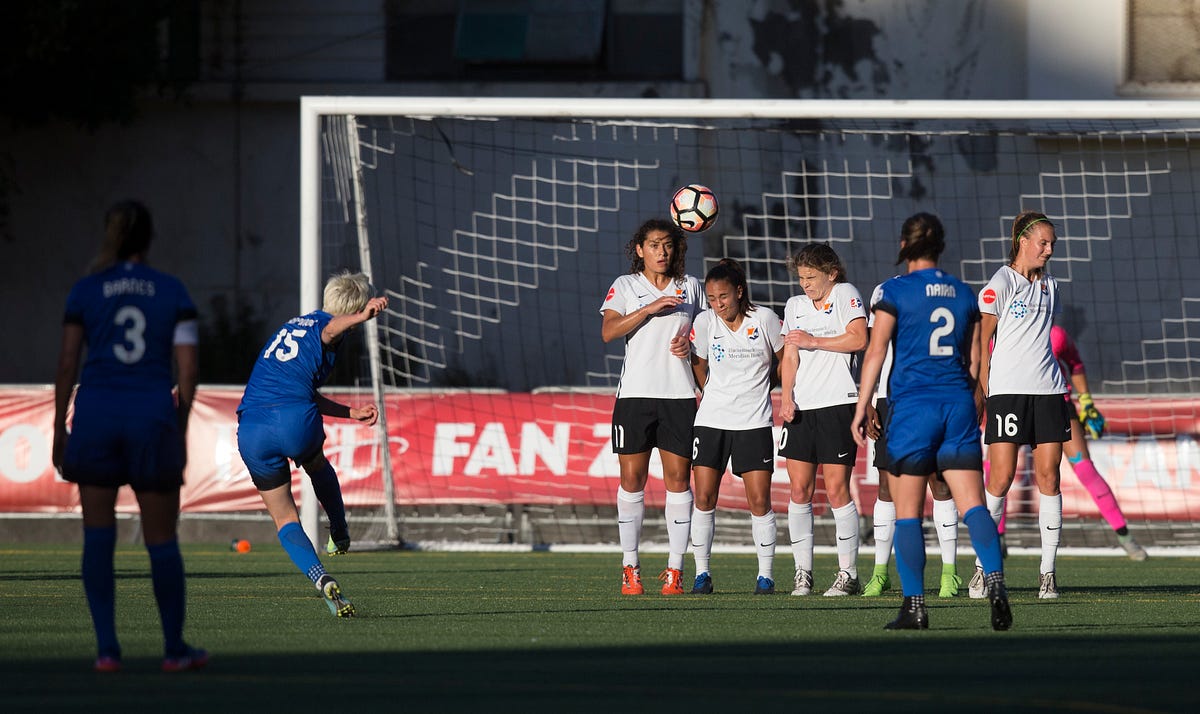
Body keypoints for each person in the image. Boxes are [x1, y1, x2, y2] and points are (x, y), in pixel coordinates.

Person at [52, 200, 207, 672]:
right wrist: (178, 427)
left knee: (97, 535)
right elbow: (189, 369)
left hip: (96, 417)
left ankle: (106, 650)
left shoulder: (85, 290)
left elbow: (66, 363)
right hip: (150, 418)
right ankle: (174, 649)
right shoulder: (172, 291)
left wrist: (59, 426)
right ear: (149, 239)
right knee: (161, 538)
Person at [851, 212, 1011, 630]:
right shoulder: (964, 293)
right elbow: (977, 362)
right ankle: (995, 581)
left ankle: (915, 606)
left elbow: (875, 351)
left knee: (908, 512)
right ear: (940, 247)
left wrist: (861, 404)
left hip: (913, 407)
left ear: (904, 245)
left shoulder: (895, 291)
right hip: (956, 403)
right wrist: (969, 397)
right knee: (973, 505)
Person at [236, 270, 388, 617]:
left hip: (252, 429)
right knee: (317, 465)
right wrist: (362, 317)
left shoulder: (293, 325)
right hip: (292, 422)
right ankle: (339, 530)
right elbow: (332, 329)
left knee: (285, 517)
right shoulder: (329, 327)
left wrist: (349, 412)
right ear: (354, 310)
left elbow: (298, 388)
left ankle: (320, 578)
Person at [969, 210, 1071, 601]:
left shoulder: (1051, 285)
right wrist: (984, 388)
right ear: (1023, 242)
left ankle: (1048, 573)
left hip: (1048, 391)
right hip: (1008, 394)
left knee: (1050, 478)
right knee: (1000, 479)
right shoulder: (1001, 282)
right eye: (1043, 243)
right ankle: (983, 569)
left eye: (1052, 245)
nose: (1048, 250)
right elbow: (982, 340)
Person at [600, 218, 703, 595]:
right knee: (633, 482)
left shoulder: (692, 287)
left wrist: (691, 347)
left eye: (668, 245)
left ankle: (675, 571)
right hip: (635, 397)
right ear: (639, 250)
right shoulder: (625, 286)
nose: (662, 252)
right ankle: (630, 567)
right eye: (654, 245)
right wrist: (650, 308)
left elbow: (706, 338)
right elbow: (609, 332)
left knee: (679, 483)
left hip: (679, 396)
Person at [993, 326, 1148, 560]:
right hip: (1014, 405)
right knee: (999, 471)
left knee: (1084, 468)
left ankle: (1124, 535)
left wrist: (1086, 403)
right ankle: (997, 537)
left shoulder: (1055, 334)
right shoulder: (1002, 334)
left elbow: (1075, 364)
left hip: (1056, 405)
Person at [687, 259, 785, 595]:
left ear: (739, 292)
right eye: (712, 298)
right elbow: (698, 364)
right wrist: (712, 392)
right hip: (711, 420)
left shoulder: (767, 319)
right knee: (704, 497)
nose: (718, 304)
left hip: (754, 422)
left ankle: (766, 576)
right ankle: (702, 574)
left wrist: (770, 386)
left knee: (759, 500)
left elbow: (785, 359)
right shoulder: (704, 322)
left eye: (723, 296)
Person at [860, 279, 961, 599]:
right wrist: (870, 401)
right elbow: (876, 349)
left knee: (939, 482)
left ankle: (950, 574)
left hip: (933, 396)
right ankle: (879, 573)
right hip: (891, 400)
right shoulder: (885, 290)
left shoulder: (949, 290)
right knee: (887, 486)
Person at [778, 243, 867, 596]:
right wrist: (786, 396)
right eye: (801, 277)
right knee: (799, 490)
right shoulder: (795, 305)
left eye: (812, 277)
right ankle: (803, 572)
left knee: (836, 490)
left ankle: (848, 573)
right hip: (802, 407)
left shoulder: (845, 293)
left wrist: (815, 340)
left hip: (837, 404)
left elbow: (859, 339)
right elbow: (789, 355)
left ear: (831, 273)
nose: (805, 284)